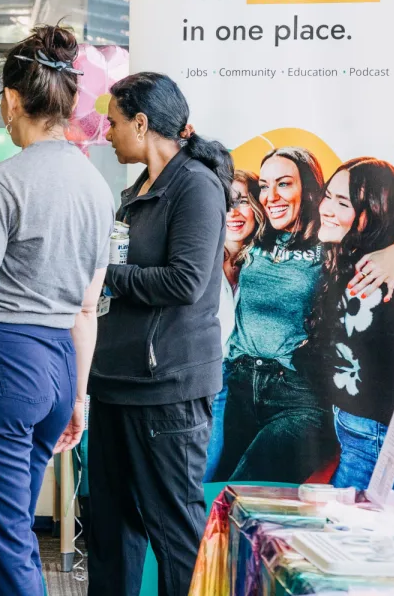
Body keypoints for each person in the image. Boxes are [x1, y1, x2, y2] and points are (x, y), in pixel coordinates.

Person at [0, 25, 113, 596]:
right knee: (12, 535)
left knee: (5, 547)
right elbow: (87, 307)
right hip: (57, 367)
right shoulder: (96, 187)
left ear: (11, 100)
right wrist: (77, 397)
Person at [88, 71, 230, 596]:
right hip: (116, 382)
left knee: (175, 534)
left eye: (114, 121)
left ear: (142, 124)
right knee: (109, 531)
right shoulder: (136, 190)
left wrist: (103, 274)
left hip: (166, 389)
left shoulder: (195, 185)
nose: (106, 131)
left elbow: (187, 281)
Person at [214, 147, 394, 483]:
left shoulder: (331, 242)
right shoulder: (256, 236)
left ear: (309, 189)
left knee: (241, 490)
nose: (271, 196)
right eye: (264, 186)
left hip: (297, 395)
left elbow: (385, 239)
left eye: (284, 184)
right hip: (238, 389)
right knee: (224, 499)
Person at [310, 158, 394, 491]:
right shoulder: (348, 258)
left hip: (384, 440)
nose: (326, 208)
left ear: (374, 214)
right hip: (358, 431)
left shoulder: (387, 278)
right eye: (329, 196)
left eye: (344, 202)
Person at [204, 170, 265, 482]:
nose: (235, 212)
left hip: (248, 387)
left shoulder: (266, 262)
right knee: (200, 473)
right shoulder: (199, 257)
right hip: (201, 380)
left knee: (226, 478)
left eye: (244, 201)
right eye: (226, 203)